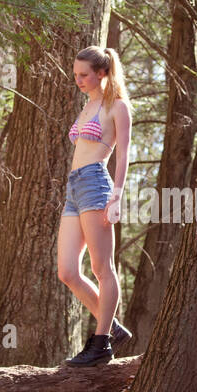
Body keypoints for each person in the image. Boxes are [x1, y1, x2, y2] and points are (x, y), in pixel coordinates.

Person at [59, 46, 134, 366]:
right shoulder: (87, 105)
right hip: (74, 186)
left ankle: (101, 341)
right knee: (67, 272)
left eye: (84, 75)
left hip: (96, 184)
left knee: (102, 269)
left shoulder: (117, 106)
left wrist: (117, 197)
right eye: (76, 74)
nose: (78, 80)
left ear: (102, 72)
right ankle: (112, 325)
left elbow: (124, 153)